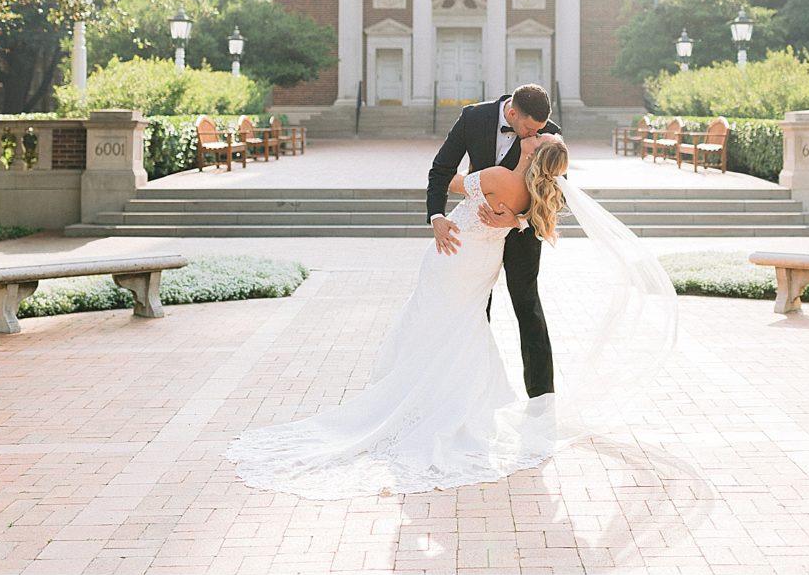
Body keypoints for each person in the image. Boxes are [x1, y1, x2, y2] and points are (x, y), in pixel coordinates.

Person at [227, 133, 571, 498]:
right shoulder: (533, 193)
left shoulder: (498, 176)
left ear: (533, 151)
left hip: (455, 255)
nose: (537, 133)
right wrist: (516, 221)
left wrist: (473, 178)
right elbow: (533, 221)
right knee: (465, 329)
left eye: (540, 137)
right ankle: (454, 404)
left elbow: (452, 182)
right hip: (484, 266)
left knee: (430, 324)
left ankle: (420, 396)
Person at [426, 84, 561, 398]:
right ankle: (472, 388)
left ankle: (541, 395)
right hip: (477, 238)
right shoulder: (473, 117)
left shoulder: (548, 134)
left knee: (527, 306)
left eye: (539, 130)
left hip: (522, 233)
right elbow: (442, 168)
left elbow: (557, 195)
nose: (535, 135)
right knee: (474, 308)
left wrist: (518, 220)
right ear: (512, 113)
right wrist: (436, 216)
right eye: (530, 129)